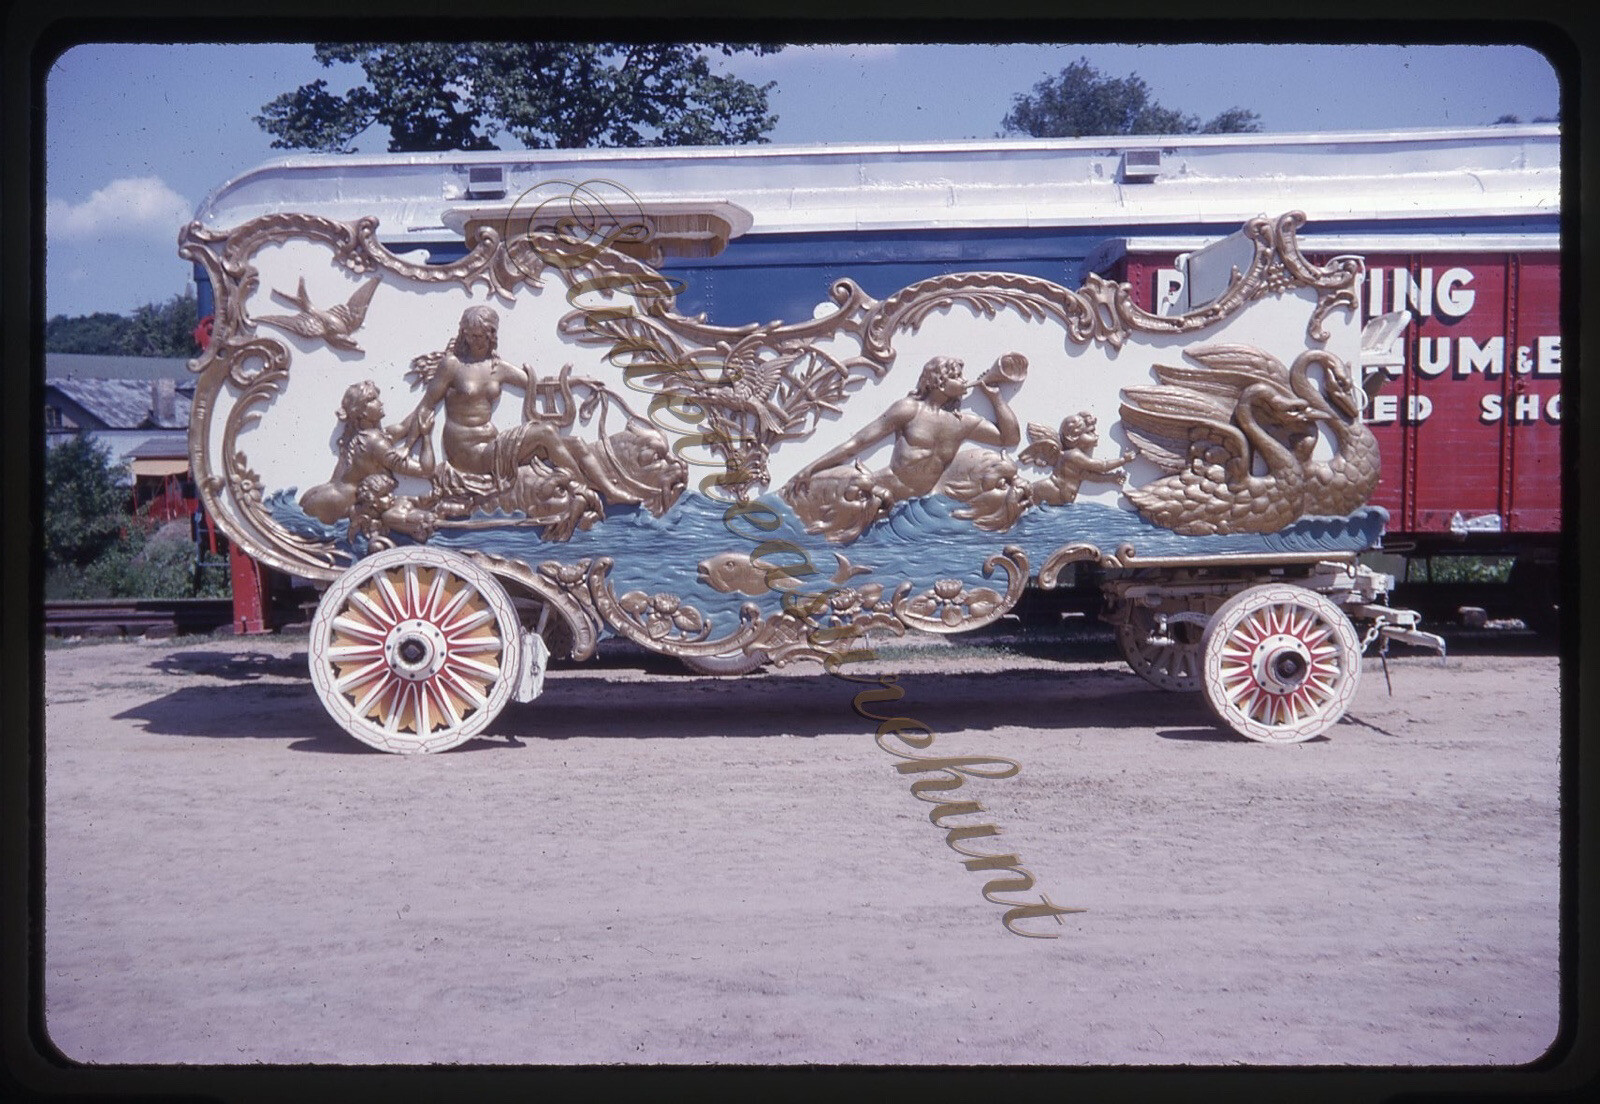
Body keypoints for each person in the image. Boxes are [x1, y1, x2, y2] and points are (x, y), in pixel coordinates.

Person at [300, 380, 433, 525]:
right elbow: (425, 470)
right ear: (361, 410)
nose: (380, 403)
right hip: (337, 504)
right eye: (372, 400)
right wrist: (426, 437)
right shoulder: (374, 442)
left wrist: (433, 395)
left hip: (323, 494)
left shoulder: (364, 435)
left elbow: (403, 427)